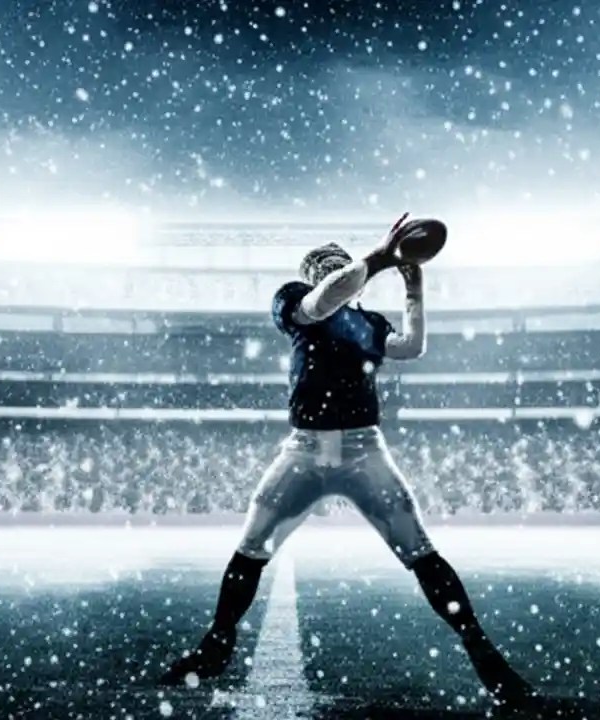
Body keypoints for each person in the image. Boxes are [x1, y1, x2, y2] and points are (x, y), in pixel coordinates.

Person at [159, 213, 535, 709]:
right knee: (251, 546)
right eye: (327, 264)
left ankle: (485, 655)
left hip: (363, 448)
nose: (335, 268)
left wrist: (414, 289)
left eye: (340, 262)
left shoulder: (368, 323)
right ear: (314, 272)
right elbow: (323, 299)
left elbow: (413, 347)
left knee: (420, 551)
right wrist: (377, 258)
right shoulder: (295, 298)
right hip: (305, 446)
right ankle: (217, 644)